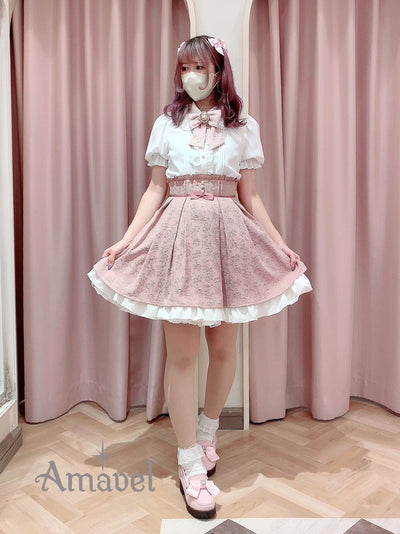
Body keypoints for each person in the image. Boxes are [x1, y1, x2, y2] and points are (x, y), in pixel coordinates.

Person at [87, 35, 312, 519]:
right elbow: (155, 189)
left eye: (199, 67)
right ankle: (189, 463)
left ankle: (208, 435)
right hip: (180, 239)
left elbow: (251, 196)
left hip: (229, 240)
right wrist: (126, 240)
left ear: (219, 71)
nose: (191, 76)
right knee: (183, 355)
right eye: (184, 68)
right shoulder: (166, 124)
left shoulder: (244, 127)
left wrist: (279, 244)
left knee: (225, 348)